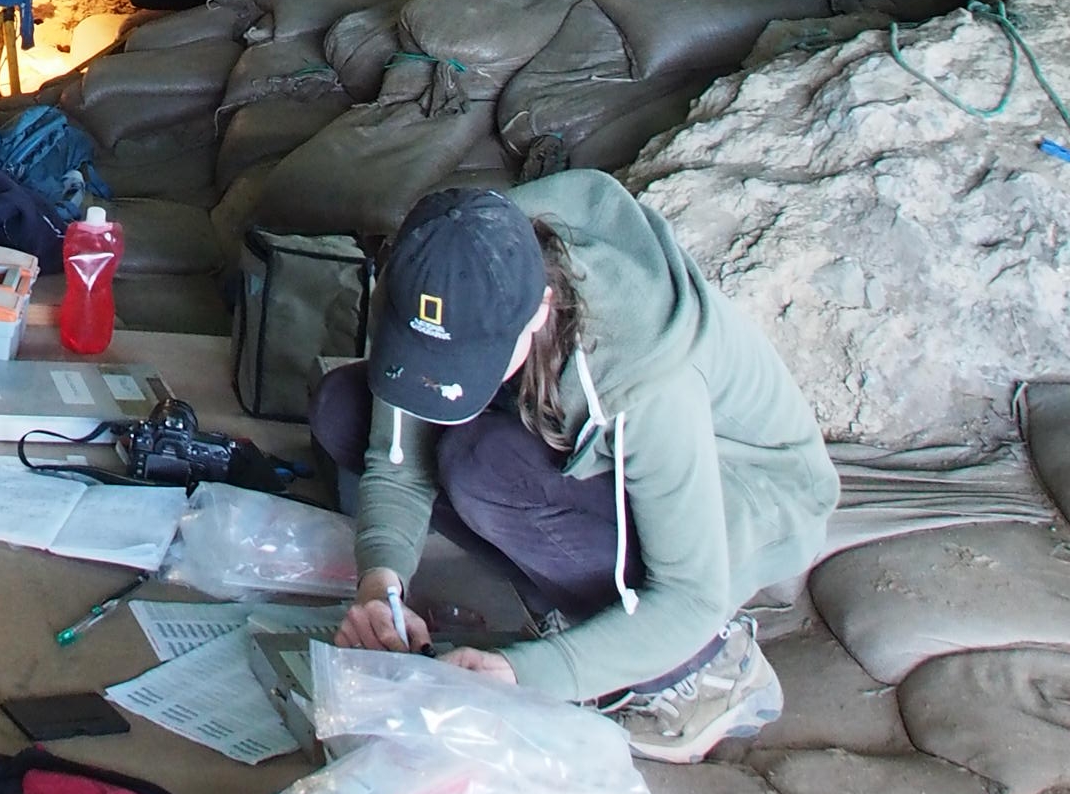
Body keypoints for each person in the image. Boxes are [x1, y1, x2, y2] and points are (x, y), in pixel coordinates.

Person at [313, 176, 838, 764]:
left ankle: (700, 672)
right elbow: (396, 460)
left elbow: (688, 595)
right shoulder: (442, 265)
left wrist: (528, 675)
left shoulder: (643, 376)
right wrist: (381, 585)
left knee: (483, 466)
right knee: (343, 409)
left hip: (745, 497)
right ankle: (587, 606)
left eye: (467, 360)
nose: (444, 375)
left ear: (540, 309)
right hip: (585, 440)